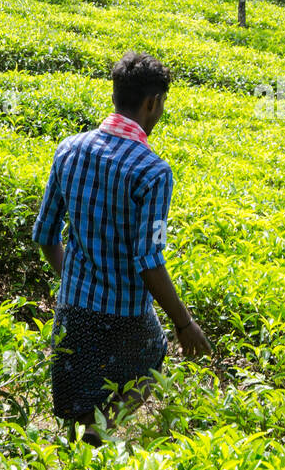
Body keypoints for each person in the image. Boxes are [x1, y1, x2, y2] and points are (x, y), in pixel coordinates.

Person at [33, 51, 211, 446]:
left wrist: (77, 278)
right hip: (125, 318)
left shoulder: (69, 149)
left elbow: (45, 234)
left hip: (73, 308)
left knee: (77, 404)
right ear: (152, 103)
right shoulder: (152, 171)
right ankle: (100, 436)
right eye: (161, 104)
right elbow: (149, 261)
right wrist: (184, 324)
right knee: (153, 355)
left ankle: (76, 469)